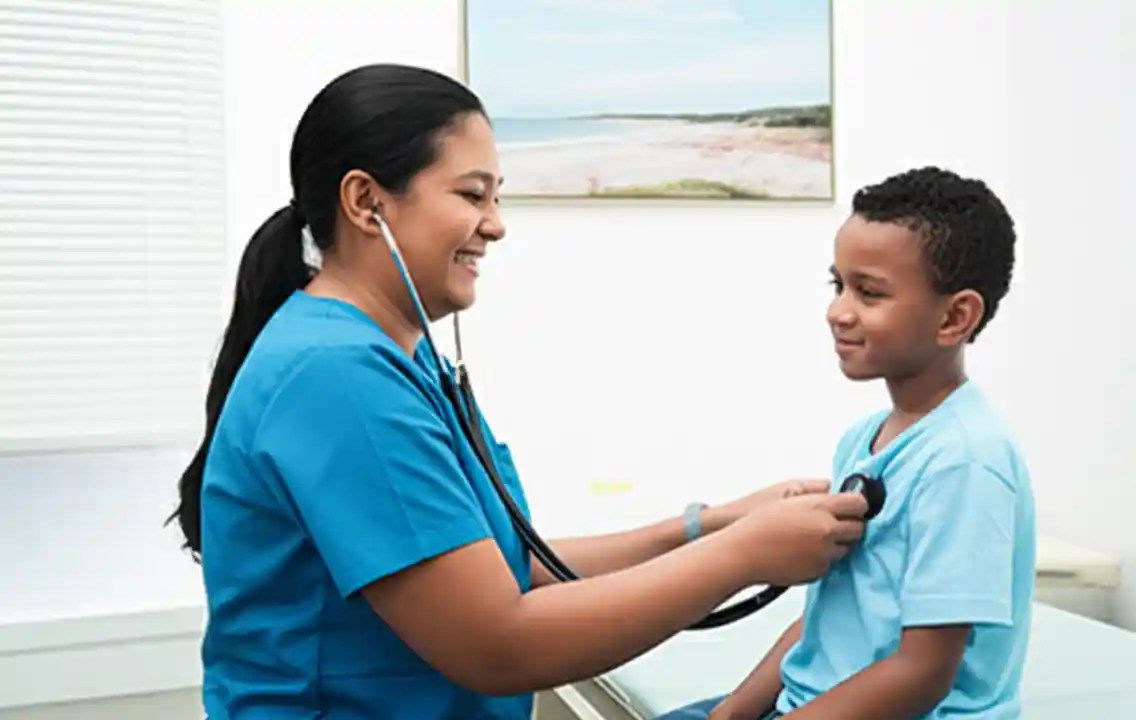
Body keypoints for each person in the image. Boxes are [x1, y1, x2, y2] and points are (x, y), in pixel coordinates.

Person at [168, 63, 871, 719]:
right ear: (365, 201)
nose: (497, 225)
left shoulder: (397, 359)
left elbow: (513, 563)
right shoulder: (334, 378)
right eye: (472, 194)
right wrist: (746, 555)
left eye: (496, 197)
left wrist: (710, 525)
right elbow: (499, 644)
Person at [659, 167, 1036, 719]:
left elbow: (922, 673)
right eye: (838, 285)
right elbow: (825, 620)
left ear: (955, 317)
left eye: (870, 293)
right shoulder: (864, 440)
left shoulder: (966, 460)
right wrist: (730, 715)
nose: (839, 311)